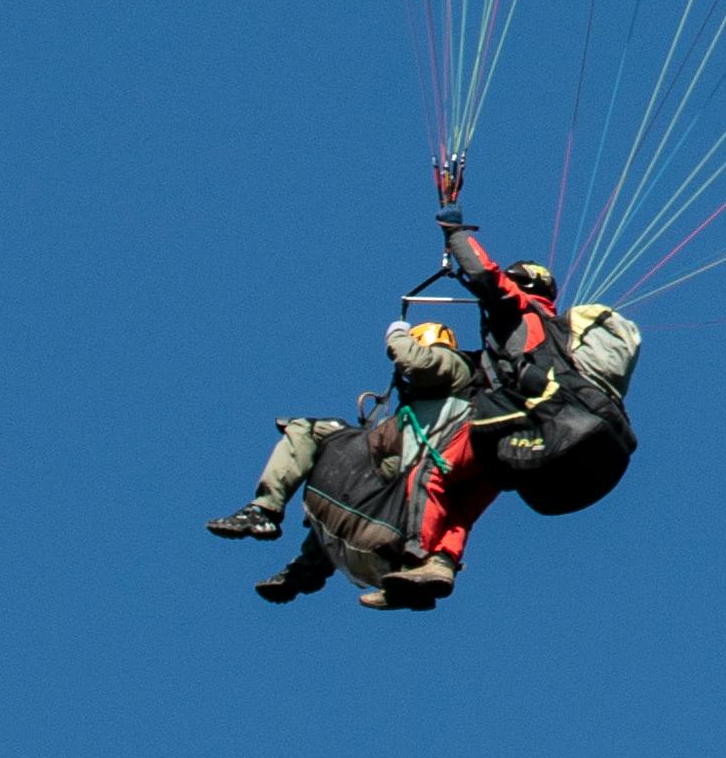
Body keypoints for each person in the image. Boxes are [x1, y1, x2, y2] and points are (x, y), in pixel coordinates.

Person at [207, 312, 504, 610]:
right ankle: (310, 565)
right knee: (345, 477)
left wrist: (397, 334)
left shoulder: (451, 365)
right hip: (385, 543)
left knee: (312, 431)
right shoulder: (426, 421)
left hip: (390, 524)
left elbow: (416, 361)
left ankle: (265, 512)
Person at [437, 199, 641, 517]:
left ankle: (424, 545)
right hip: (605, 451)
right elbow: (488, 369)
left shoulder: (518, 311)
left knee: (440, 470)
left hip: (555, 446)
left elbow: (484, 275)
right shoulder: (556, 339)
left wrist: (456, 236)